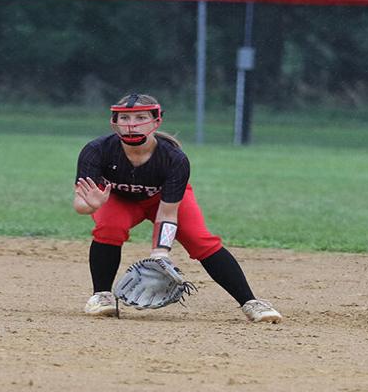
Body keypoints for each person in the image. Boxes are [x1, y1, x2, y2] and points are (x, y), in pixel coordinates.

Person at [74, 93, 282, 323]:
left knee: (200, 240)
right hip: (116, 199)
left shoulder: (174, 158)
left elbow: (167, 213)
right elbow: (80, 205)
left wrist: (160, 253)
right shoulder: (97, 150)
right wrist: (90, 206)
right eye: (124, 118)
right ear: (114, 122)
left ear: (156, 121)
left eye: (141, 117)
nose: (131, 125)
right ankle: (101, 296)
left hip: (162, 201)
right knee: (109, 227)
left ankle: (251, 302)